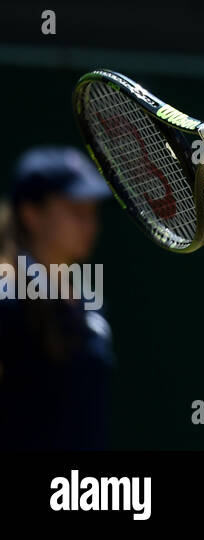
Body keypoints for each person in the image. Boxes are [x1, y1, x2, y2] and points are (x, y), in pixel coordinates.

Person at [0, 146, 115, 450]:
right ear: (31, 213)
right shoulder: (6, 300)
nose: (89, 223)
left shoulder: (89, 300)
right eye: (76, 211)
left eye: (92, 211)